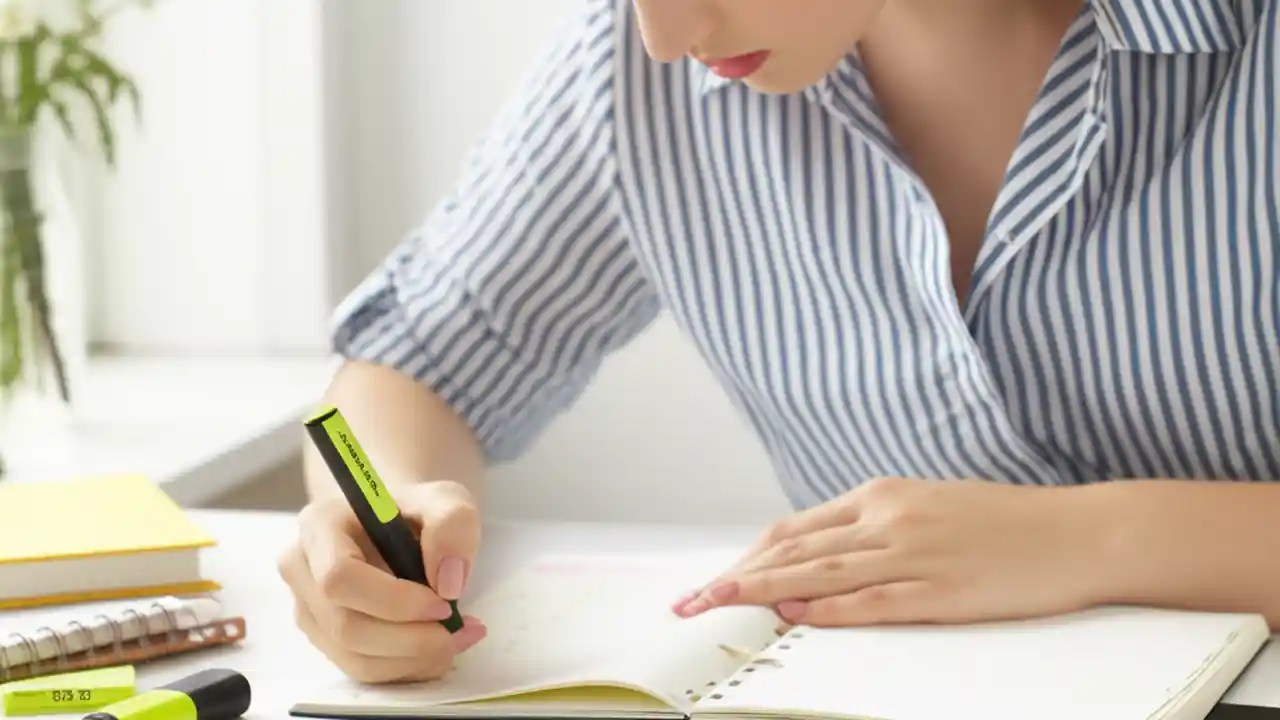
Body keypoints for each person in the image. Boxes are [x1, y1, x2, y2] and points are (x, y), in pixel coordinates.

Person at [276, 0, 1280, 684]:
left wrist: (1087, 541)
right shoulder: (630, 65)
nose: (666, 35)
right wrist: (386, 515)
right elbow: (410, 362)